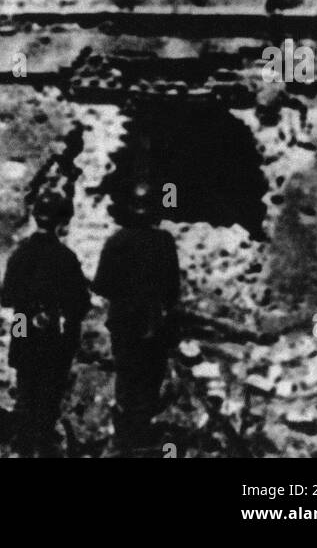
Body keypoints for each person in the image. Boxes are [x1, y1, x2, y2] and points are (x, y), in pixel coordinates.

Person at [1, 189, 90, 457]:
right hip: (54, 334)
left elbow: (7, 299)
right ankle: (43, 444)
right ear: (61, 221)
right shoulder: (66, 258)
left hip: (22, 326)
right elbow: (80, 305)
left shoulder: (20, 254)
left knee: (25, 389)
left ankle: (23, 446)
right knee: (49, 396)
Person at [93, 181, 180, 454]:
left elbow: (102, 286)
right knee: (150, 376)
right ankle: (142, 432)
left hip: (124, 321)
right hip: (153, 322)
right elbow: (172, 290)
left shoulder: (117, 241)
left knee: (127, 375)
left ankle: (125, 436)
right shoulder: (164, 242)